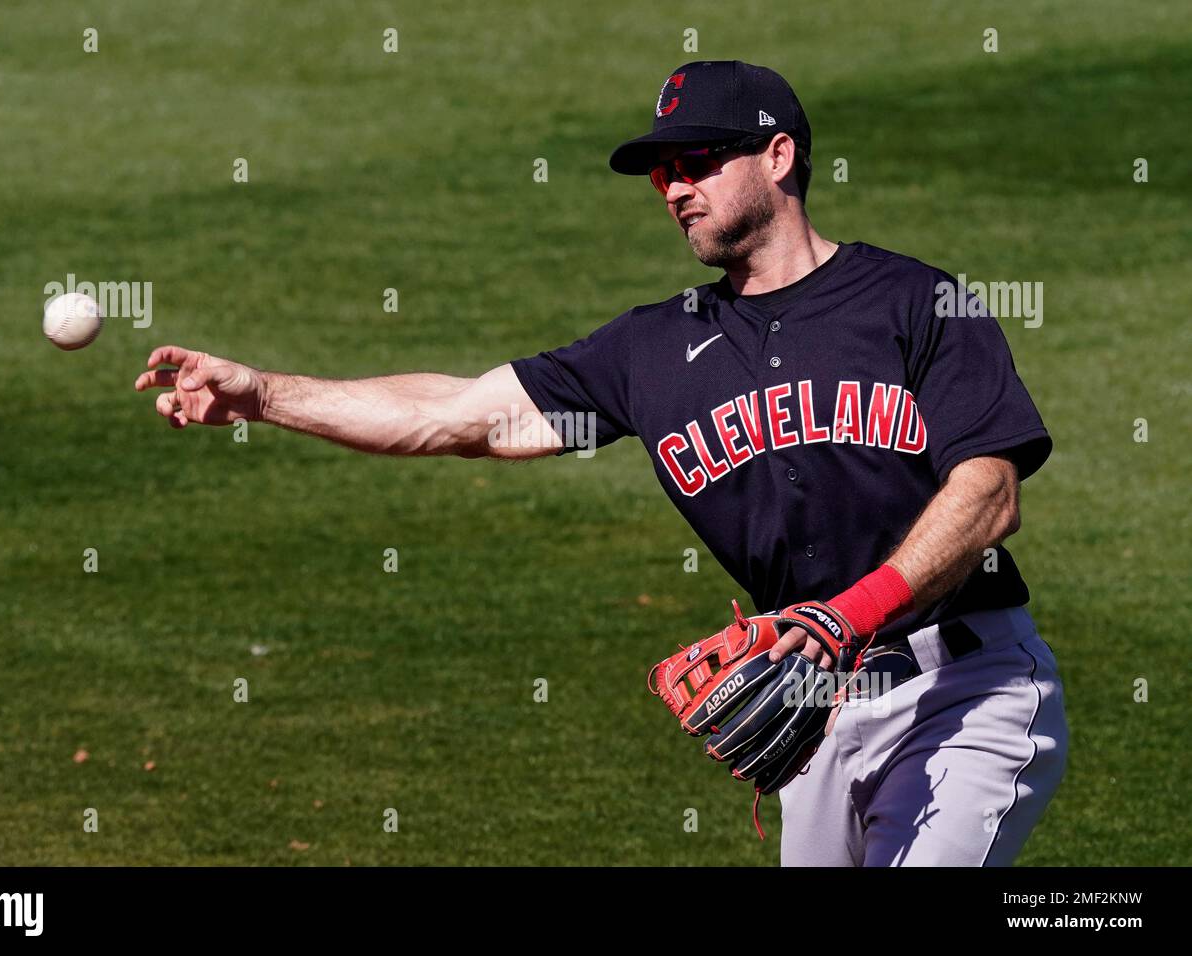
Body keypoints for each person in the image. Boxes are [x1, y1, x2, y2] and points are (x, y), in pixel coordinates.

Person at [135, 60, 1067, 866]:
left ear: (780, 157)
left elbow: (988, 495)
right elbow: (461, 416)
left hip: (962, 689)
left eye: (699, 162)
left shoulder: (914, 302)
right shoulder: (653, 352)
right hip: (807, 708)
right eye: (664, 172)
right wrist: (264, 395)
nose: (675, 188)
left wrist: (845, 616)